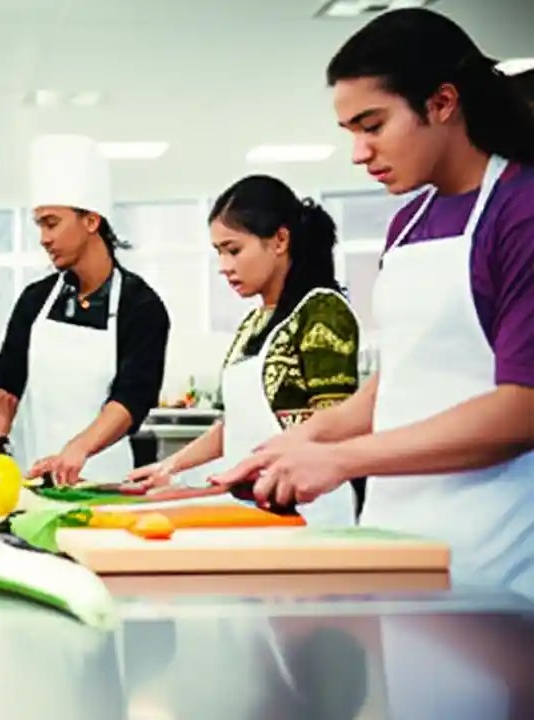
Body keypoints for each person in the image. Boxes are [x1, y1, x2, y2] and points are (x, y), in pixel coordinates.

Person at [217, 9, 534, 594]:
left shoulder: (520, 212)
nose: (359, 153)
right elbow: (400, 383)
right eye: (350, 133)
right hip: (395, 540)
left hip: (497, 558)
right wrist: (303, 439)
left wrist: (344, 459)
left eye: (373, 125)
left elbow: (522, 410)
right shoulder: (408, 223)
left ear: (442, 103)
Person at [127, 176, 362, 526]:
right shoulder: (252, 323)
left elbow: (338, 424)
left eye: (233, 249)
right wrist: (169, 468)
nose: (223, 267)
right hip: (255, 507)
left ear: (280, 240)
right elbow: (233, 427)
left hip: (311, 511)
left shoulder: (322, 313)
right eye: (219, 252)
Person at [0, 134, 171, 486]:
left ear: (91, 221)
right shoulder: (35, 300)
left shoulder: (141, 306)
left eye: (51, 223)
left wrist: (79, 448)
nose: (43, 238)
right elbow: (3, 389)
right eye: (39, 224)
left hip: (102, 484)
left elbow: (133, 397)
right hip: (30, 481)